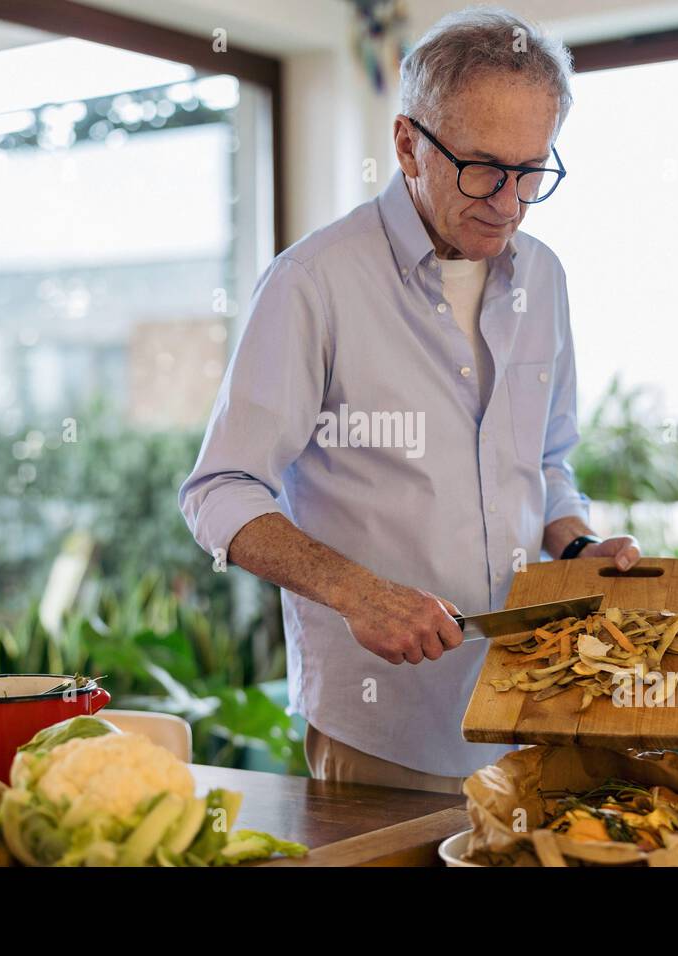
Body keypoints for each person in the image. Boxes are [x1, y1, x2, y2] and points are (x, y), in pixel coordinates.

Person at [179, 7, 639, 793]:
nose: (511, 202)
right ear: (407, 143)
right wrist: (357, 593)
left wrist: (574, 545)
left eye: (534, 172)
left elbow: (548, 461)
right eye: (486, 168)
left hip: (533, 707)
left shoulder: (546, 277)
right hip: (384, 728)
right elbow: (219, 491)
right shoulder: (312, 282)